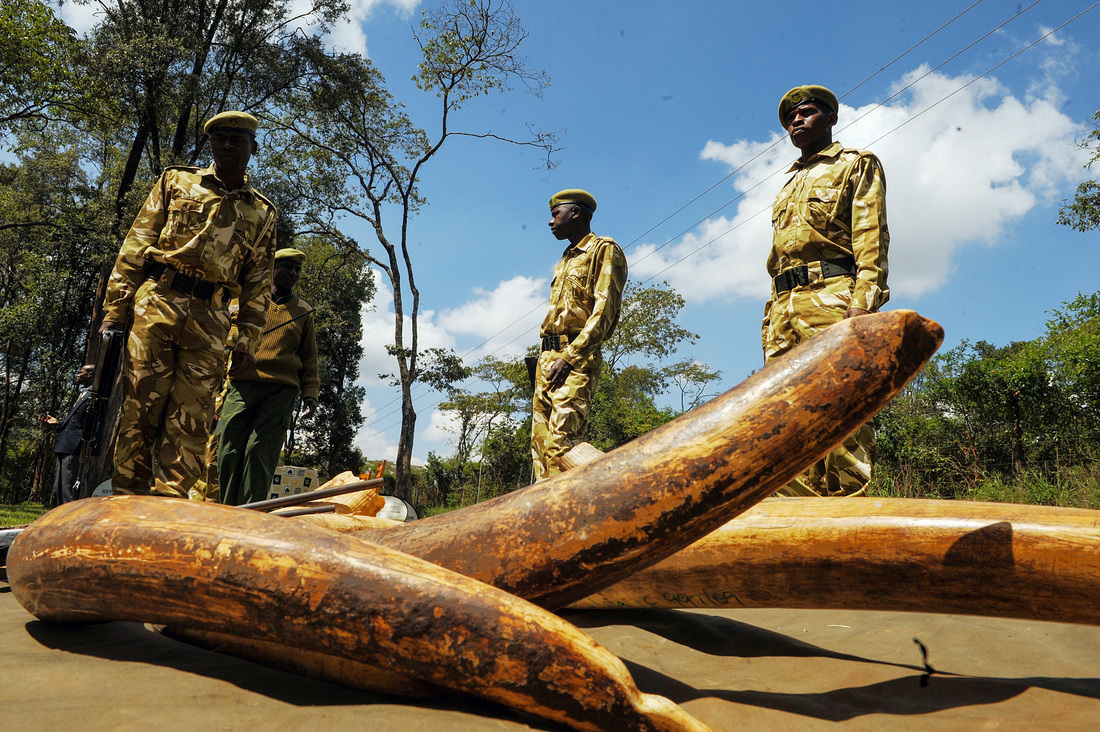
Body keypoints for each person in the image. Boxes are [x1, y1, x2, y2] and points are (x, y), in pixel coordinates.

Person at [99, 110, 278, 498]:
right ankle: (125, 502)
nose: (228, 145)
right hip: (158, 302)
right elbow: (135, 245)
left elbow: (258, 285)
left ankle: (169, 510)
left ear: (254, 147)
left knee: (192, 420)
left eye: (238, 140)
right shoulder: (176, 181)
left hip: (212, 320)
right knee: (140, 409)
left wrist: (246, 341)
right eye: (220, 139)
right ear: (212, 145)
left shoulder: (262, 213)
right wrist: (115, 309)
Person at [762, 85, 890, 497]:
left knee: (841, 405)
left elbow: (872, 240)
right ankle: (797, 527)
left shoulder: (855, 164)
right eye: (789, 118)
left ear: (831, 118)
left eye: (806, 113)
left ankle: (848, 523)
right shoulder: (786, 185)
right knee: (783, 418)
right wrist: (770, 314)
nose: (795, 121)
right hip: (782, 309)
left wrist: (862, 308)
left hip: (833, 296)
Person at [531, 189, 628, 481]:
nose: (550, 222)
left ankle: (618, 490)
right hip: (546, 357)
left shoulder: (603, 249)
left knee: (564, 445)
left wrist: (570, 357)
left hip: (573, 357)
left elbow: (604, 312)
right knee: (541, 447)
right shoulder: (564, 261)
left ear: (576, 213)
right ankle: (548, 517)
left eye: (555, 214)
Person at [215, 247, 319, 505]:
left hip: (280, 391)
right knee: (229, 448)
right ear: (272, 269)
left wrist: (310, 393)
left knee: (260, 451)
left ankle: (251, 513)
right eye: (287, 268)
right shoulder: (248, 301)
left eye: (297, 270)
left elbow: (309, 357)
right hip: (241, 384)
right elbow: (222, 341)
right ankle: (226, 510)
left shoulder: (304, 310)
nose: (292, 274)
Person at [41, 364, 95, 506]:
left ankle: (70, 519)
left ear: (90, 375)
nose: (78, 374)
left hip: (75, 446)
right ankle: (59, 518)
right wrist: (58, 423)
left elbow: (97, 423)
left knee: (68, 488)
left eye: (81, 372)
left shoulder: (93, 396)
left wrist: (92, 444)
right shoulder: (83, 393)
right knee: (58, 487)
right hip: (65, 445)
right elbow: (76, 422)